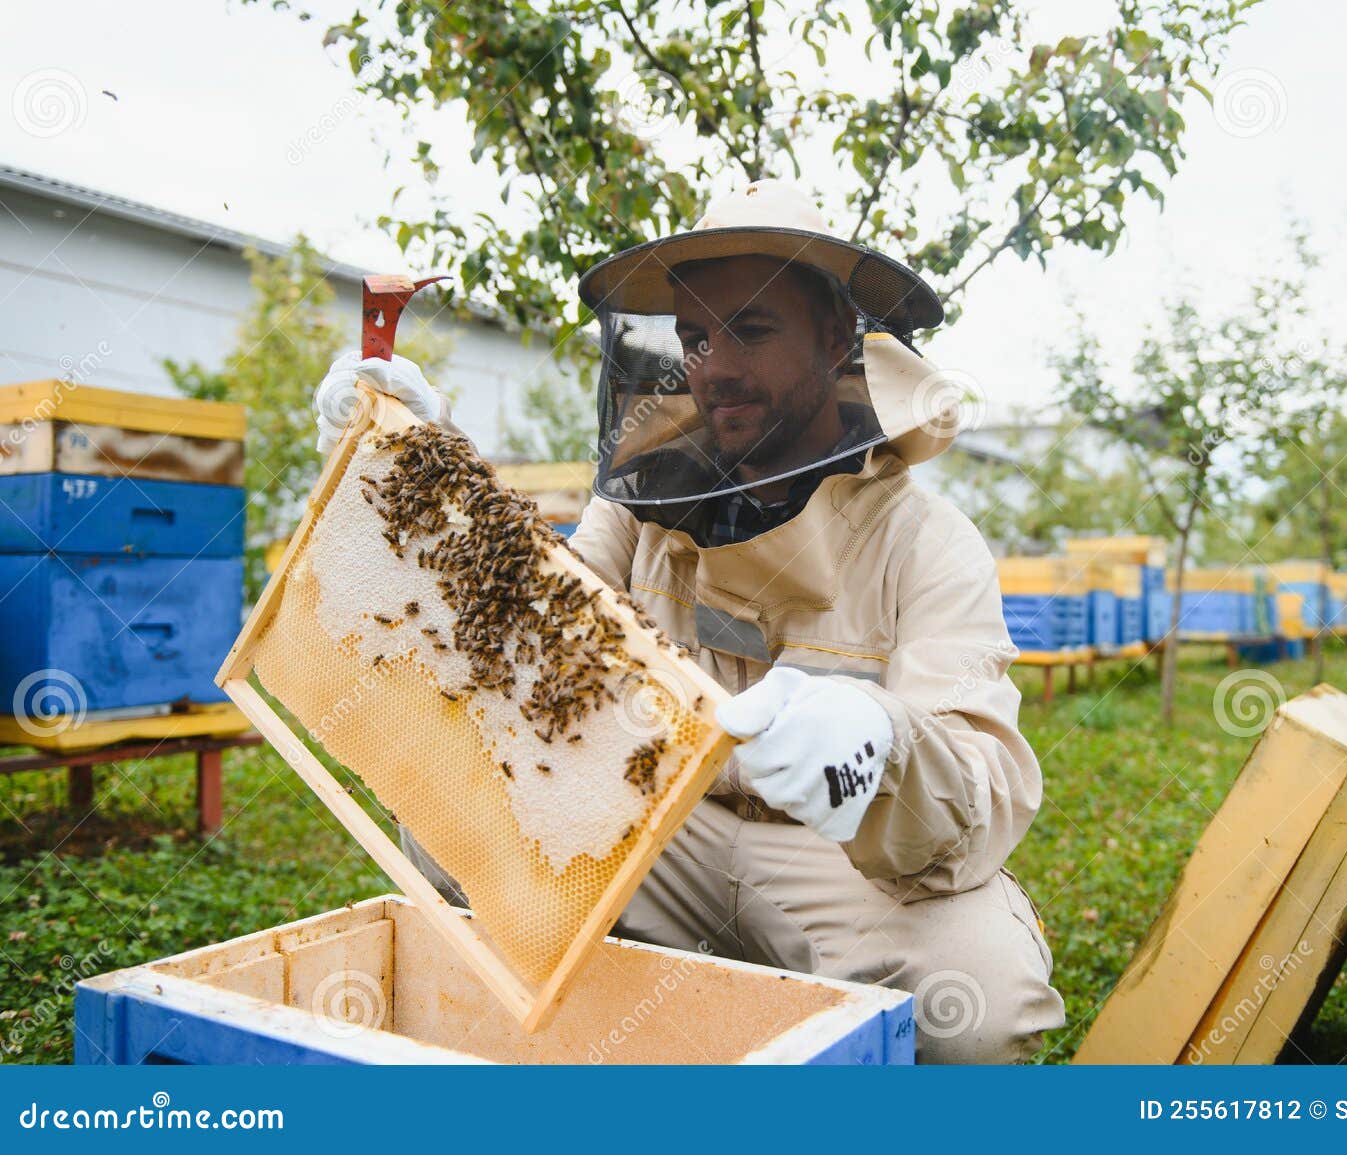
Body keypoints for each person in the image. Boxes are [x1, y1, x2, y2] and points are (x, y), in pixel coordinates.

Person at [314, 181, 1066, 1062]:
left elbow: (975, 799)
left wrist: (882, 745)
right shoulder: (644, 506)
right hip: (660, 824)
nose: (715, 366)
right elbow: (522, 629)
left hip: (841, 866)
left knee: (978, 1008)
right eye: (697, 337)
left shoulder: (927, 542)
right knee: (451, 810)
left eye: (750, 329)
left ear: (835, 338)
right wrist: (421, 474)